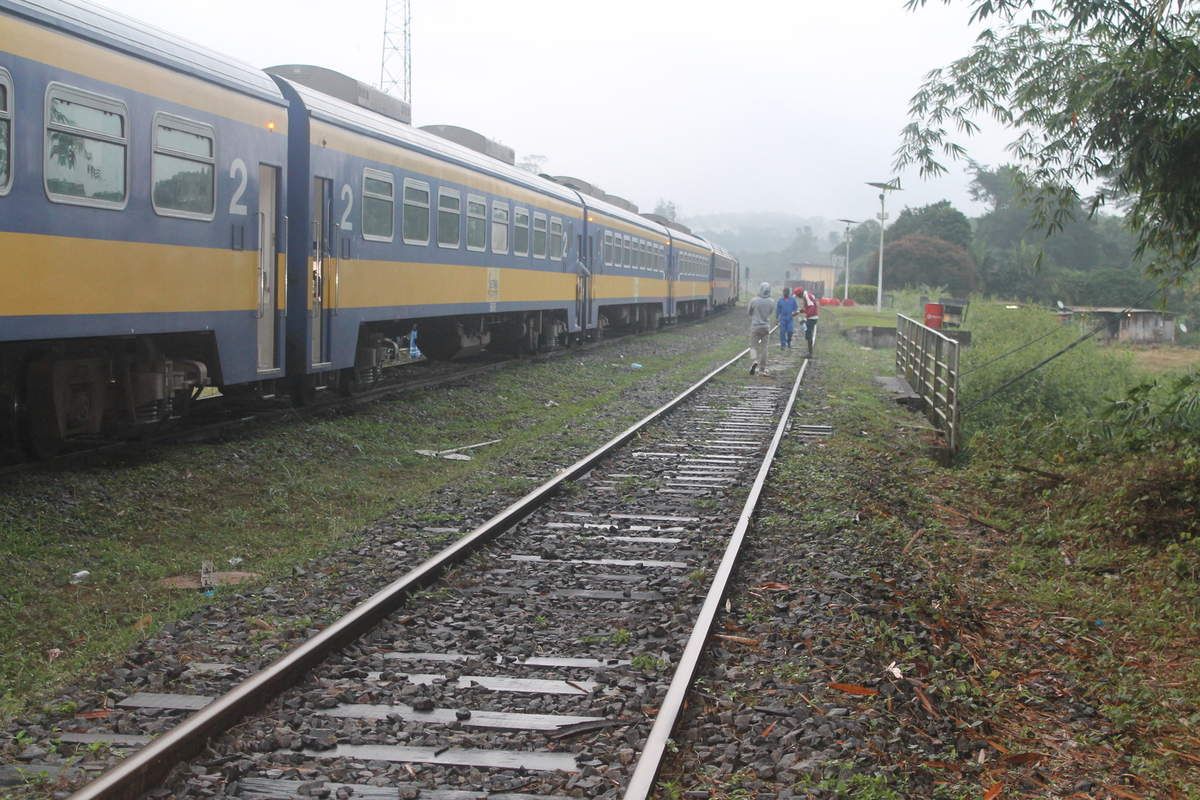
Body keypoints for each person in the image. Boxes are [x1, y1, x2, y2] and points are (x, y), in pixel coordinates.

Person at [747, 282, 774, 375]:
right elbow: (770, 312)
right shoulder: (771, 301)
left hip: (755, 327)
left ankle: (754, 361)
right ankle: (762, 368)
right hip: (765, 327)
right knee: (764, 347)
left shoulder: (754, 300)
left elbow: (749, 312)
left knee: (753, 346)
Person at [796, 285, 819, 357]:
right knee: (807, 332)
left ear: (800, 293)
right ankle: (809, 352)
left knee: (808, 334)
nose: (798, 297)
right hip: (813, 317)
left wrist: (806, 317)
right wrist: (799, 311)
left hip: (812, 318)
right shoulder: (808, 295)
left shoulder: (807, 296)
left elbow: (811, 307)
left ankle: (810, 353)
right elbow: (808, 307)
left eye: (798, 295)